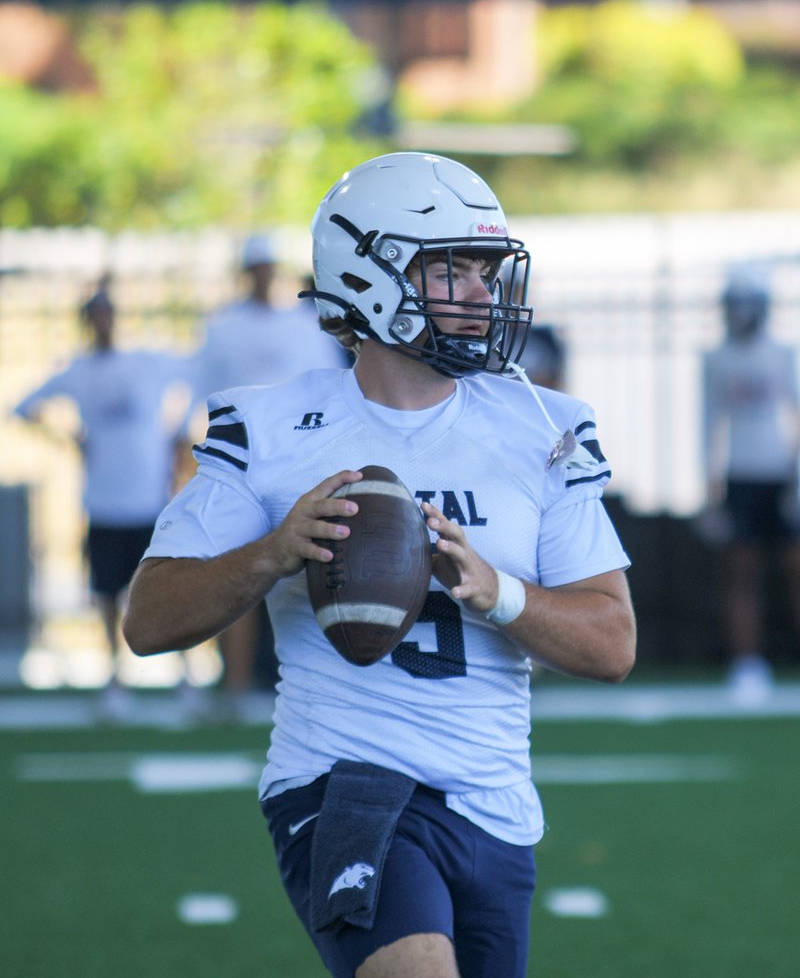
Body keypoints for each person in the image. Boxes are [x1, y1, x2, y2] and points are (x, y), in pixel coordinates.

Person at [123, 152, 636, 978]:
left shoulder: (544, 427)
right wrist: (273, 552)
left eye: (486, 270)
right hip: (343, 786)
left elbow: (612, 646)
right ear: (370, 276)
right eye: (451, 270)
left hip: (493, 802)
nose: (481, 293)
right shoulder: (271, 428)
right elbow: (147, 621)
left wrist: (496, 592)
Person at [14, 280, 193, 719]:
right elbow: (22, 407)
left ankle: (184, 674)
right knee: (108, 596)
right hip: (105, 503)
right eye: (95, 315)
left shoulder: (146, 363)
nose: (102, 321)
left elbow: (198, 375)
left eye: (107, 313)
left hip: (150, 502)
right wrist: (66, 437)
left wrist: (179, 437)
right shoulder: (77, 371)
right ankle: (116, 677)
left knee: (166, 592)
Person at [192, 232, 349, 716]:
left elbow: (331, 389)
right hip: (243, 462)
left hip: (299, 459)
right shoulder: (224, 326)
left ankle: (310, 685)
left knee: (306, 574)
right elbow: (207, 394)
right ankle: (237, 685)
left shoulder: (303, 324)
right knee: (242, 568)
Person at [701, 266, 800, 702]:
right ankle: (747, 663)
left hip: (782, 472)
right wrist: (710, 491)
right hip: (739, 475)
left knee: (792, 568)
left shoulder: (782, 354)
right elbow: (709, 422)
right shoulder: (716, 358)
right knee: (742, 571)